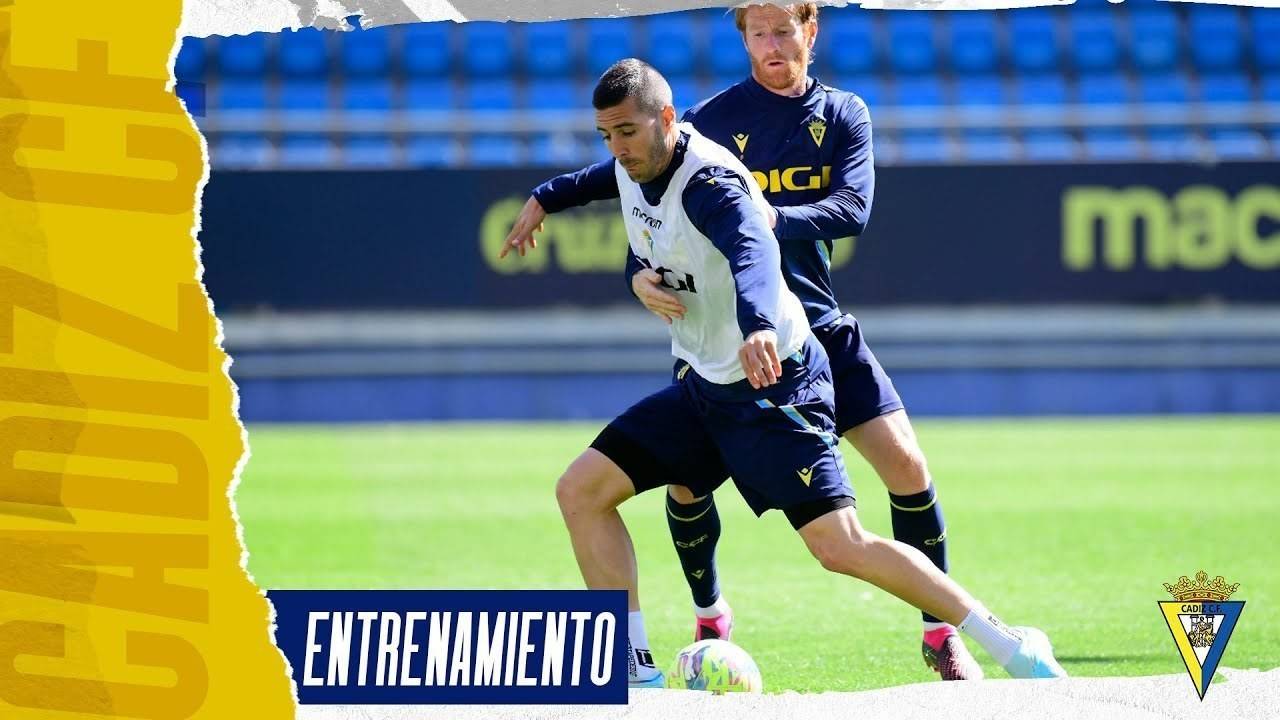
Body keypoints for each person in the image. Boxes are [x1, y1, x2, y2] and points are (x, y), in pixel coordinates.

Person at [502, 57, 1066, 688]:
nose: (617, 148)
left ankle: (1006, 642)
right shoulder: (634, 162)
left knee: (840, 546)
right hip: (704, 388)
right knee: (580, 490)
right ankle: (635, 671)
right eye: (606, 134)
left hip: (776, 385)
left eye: (626, 132)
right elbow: (593, 181)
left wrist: (758, 323)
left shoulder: (712, 181)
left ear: (666, 119)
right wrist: (543, 198)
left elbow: (754, 250)